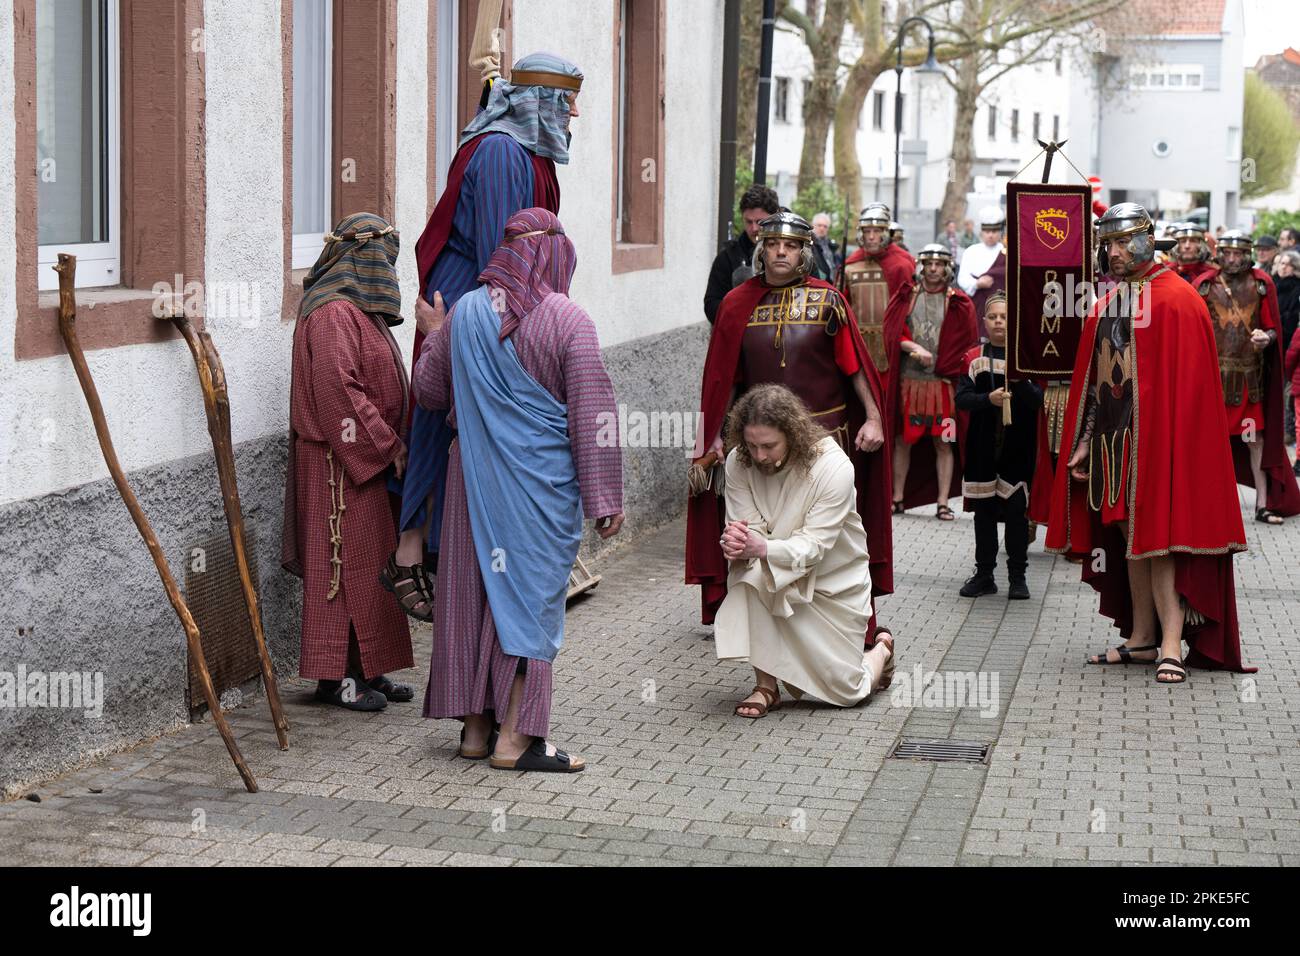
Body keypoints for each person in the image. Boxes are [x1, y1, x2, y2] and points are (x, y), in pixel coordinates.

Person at [413, 208, 624, 772]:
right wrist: (605, 498)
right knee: (528, 604)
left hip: (470, 488)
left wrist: (437, 337)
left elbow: (429, 392)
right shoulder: (569, 321)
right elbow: (592, 414)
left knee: (474, 598)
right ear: (558, 256)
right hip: (536, 494)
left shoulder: (463, 314)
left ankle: (476, 732)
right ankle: (517, 741)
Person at [393, 52, 583, 624]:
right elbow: (504, 251)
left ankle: (451, 551)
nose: (574, 112)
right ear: (540, 103)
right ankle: (408, 551)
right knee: (440, 413)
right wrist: (498, 323)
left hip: (502, 295)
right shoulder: (502, 151)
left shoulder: (528, 152)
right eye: (566, 101)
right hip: (472, 294)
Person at [1047, 203, 1252, 685]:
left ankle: (1171, 644)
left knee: (1159, 543)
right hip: (1115, 447)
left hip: (1162, 447)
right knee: (1129, 541)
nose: (1114, 252)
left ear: (1146, 239)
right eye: (1107, 244)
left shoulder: (1178, 300)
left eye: (1122, 242)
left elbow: (1189, 395)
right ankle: (1141, 639)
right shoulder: (1111, 301)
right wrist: (1084, 442)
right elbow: (1098, 382)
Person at [688, 211, 894, 642]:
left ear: (804, 252)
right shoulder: (735, 304)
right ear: (762, 250)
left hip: (825, 442)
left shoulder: (829, 299)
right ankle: (772, 627)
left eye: (791, 245)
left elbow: (856, 367)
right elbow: (725, 378)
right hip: (759, 447)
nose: (781, 251)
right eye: (774, 245)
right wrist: (712, 438)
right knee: (768, 531)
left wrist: (874, 418)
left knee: (828, 537)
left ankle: (844, 626)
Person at [282, 212, 416, 712]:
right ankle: (335, 679)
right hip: (338, 462)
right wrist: (387, 445)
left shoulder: (355, 310)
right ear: (362, 256)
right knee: (340, 569)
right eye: (383, 257)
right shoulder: (334, 313)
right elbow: (340, 391)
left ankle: (366, 669)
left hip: (356, 460)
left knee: (368, 566)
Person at [714, 384, 896, 717]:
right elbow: (747, 526)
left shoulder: (834, 467)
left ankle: (880, 651)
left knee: (848, 691)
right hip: (773, 564)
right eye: (752, 445)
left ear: (793, 435)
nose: (759, 456)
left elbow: (814, 547)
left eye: (769, 446)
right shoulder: (739, 462)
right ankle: (766, 686)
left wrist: (762, 546)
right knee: (748, 571)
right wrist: (739, 542)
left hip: (832, 577)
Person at [1194, 231, 1300, 524]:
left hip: (1249, 380)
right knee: (1210, 444)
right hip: (1213, 379)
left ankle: (1262, 505)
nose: (1232, 259)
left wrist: (1266, 337)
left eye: (1238, 253)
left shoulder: (1262, 285)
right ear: (1219, 253)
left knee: (1256, 441)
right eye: (1227, 253)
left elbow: (1273, 327)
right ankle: (1209, 506)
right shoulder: (1204, 286)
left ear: (1247, 254)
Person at [955, 293, 1042, 600]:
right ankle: (985, 575)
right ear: (985, 321)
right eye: (993, 317)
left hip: (1018, 449)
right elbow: (961, 399)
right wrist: (986, 400)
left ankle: (1018, 577)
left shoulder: (1028, 358)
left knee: (1017, 514)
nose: (999, 322)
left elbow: (1037, 402)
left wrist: (1019, 381)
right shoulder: (973, 357)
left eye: (1004, 317)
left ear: (1013, 321)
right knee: (984, 514)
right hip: (982, 448)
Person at [884, 243, 980, 520]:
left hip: (943, 386)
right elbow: (892, 332)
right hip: (910, 383)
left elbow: (967, 343)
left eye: (939, 264)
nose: (934, 269)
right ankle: (897, 497)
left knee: (944, 441)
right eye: (929, 264)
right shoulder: (908, 296)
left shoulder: (957, 301)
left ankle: (942, 502)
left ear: (947, 267)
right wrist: (911, 347)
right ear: (921, 266)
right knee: (904, 440)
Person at [839, 202, 916, 423]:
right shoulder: (851, 264)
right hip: (858, 345)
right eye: (867, 231)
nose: (871, 237)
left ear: (886, 232)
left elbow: (908, 310)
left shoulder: (902, 263)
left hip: (893, 348)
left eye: (876, 231)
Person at [704, 184, 781, 324]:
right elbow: (711, 305)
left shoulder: (794, 254)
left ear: (775, 218)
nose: (754, 228)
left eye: (760, 222)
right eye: (748, 221)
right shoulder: (727, 257)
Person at [958, 206, 1007, 324]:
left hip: (1001, 305)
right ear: (981, 232)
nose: (990, 235)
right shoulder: (971, 251)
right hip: (977, 303)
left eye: (994, 231)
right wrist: (977, 284)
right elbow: (962, 277)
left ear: (1000, 232)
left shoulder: (1006, 251)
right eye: (987, 231)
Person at [1273, 248, 1300, 445]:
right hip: (1273, 344)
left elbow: (1291, 319)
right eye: (1280, 263)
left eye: (1286, 263)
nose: (1282, 267)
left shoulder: (1296, 288)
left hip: (1289, 344)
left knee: (1288, 393)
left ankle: (1288, 432)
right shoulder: (1272, 285)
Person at [810, 212, 839, 282]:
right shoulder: (808, 244)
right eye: (819, 225)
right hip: (816, 283)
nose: (822, 228)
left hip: (832, 284)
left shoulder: (831, 245)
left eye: (825, 226)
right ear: (813, 226)